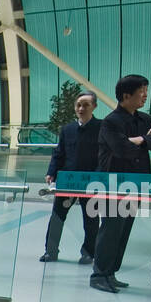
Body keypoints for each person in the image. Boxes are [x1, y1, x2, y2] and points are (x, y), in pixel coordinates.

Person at [89, 75, 151, 293]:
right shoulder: (111, 121)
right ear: (126, 95)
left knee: (124, 230)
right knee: (111, 229)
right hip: (114, 184)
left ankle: (111, 272)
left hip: (137, 184)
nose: (145, 95)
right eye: (141, 91)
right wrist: (145, 140)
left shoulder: (143, 119)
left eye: (146, 90)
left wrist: (140, 140)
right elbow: (121, 149)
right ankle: (99, 274)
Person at [40, 92, 101, 263]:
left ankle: (89, 253)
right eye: (78, 105)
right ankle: (50, 251)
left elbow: (104, 155)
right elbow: (59, 153)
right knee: (57, 217)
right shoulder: (68, 129)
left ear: (94, 106)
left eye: (86, 105)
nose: (81, 108)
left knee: (91, 219)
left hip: (90, 181)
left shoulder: (101, 128)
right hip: (68, 180)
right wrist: (51, 172)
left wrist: (98, 176)